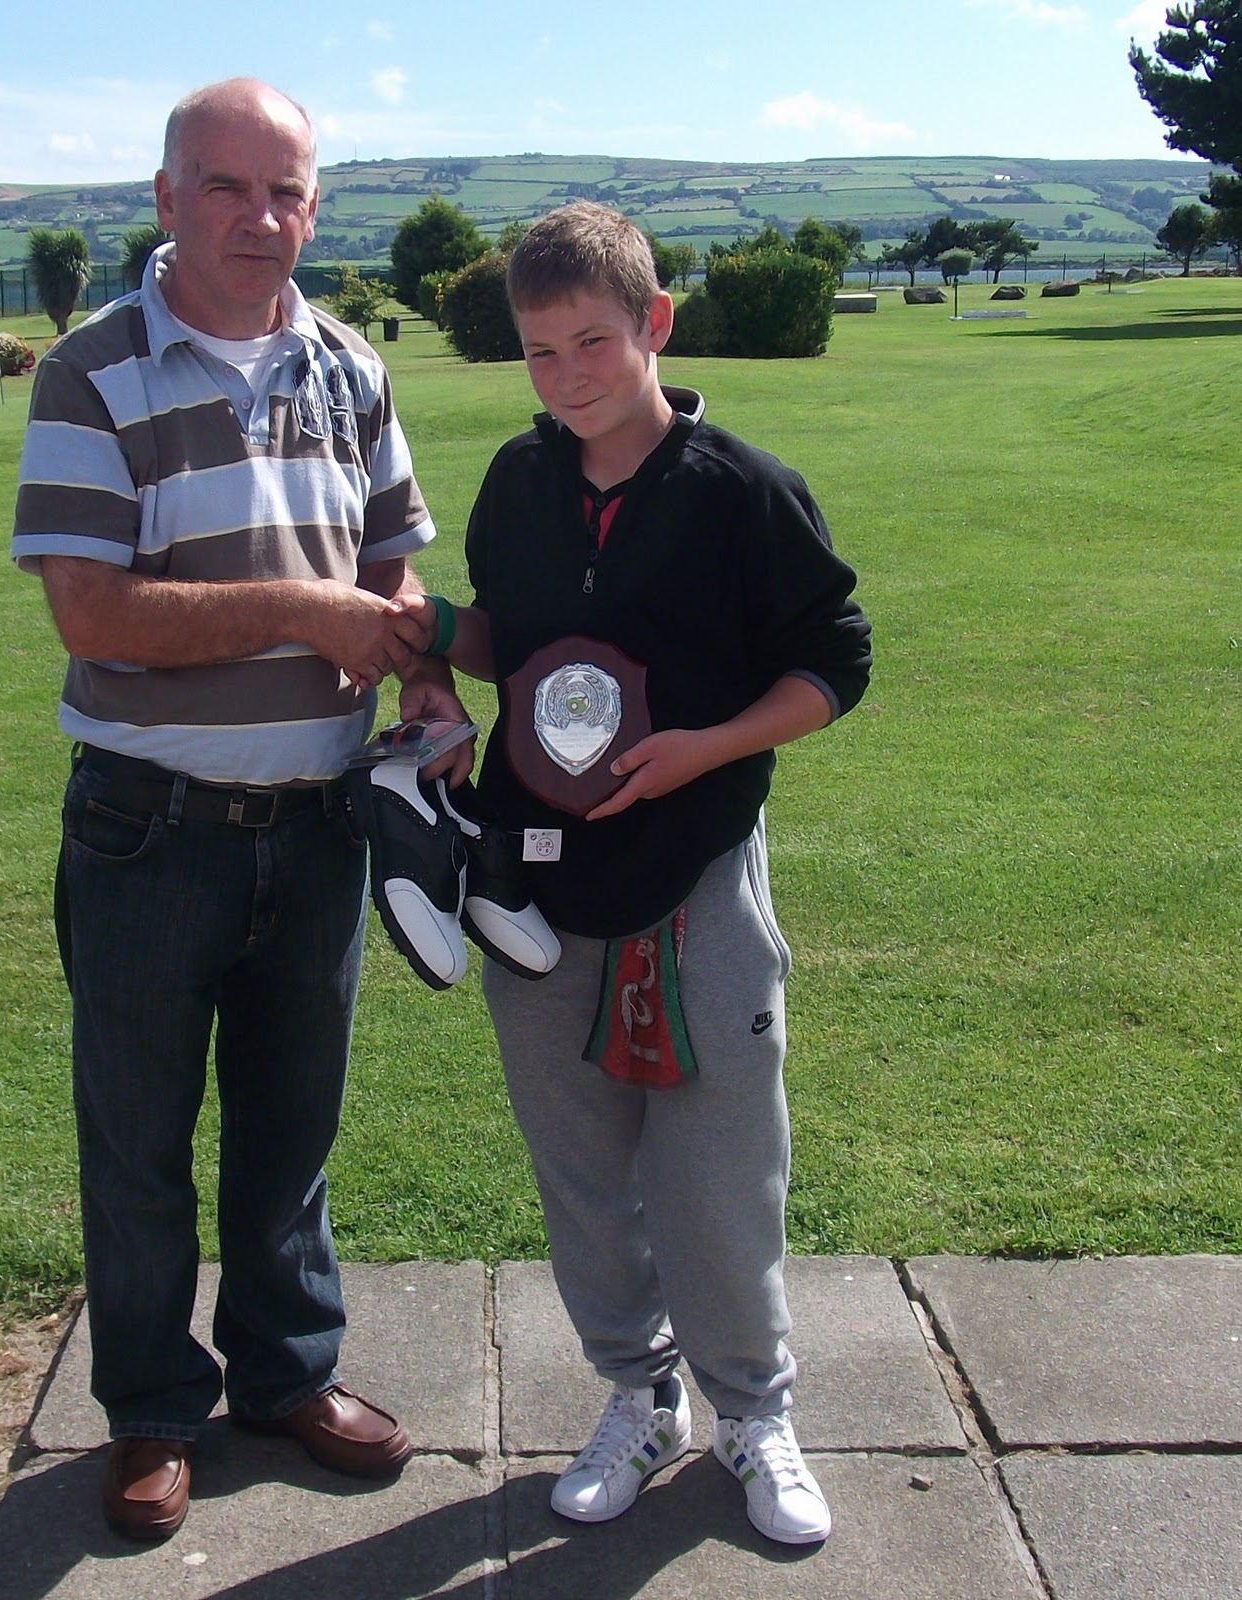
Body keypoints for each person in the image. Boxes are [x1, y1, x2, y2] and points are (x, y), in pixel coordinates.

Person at [10, 77, 467, 1542]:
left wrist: (424, 678)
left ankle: (283, 1377)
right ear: (166, 199)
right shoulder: (90, 371)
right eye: (227, 188)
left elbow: (396, 561)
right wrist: (304, 611)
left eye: (287, 193)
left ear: (313, 209)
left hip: (325, 824)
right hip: (149, 829)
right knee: (136, 1142)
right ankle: (149, 1410)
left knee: (292, 1130)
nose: (260, 219)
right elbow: (90, 611)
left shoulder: (348, 363)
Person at [414, 202, 871, 1545]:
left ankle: (755, 1411)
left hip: (699, 867)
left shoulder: (745, 490)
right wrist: (431, 633)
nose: (564, 379)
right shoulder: (516, 479)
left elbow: (834, 662)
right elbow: (524, 646)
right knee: (582, 1171)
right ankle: (637, 1392)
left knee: (723, 1164)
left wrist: (707, 750)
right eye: (539, 352)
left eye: (592, 344)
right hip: (535, 883)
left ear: (656, 327)